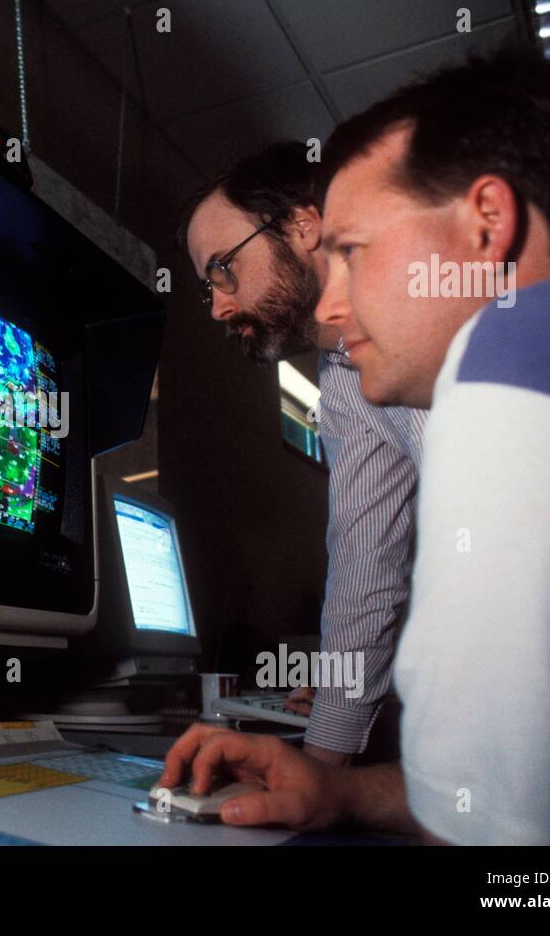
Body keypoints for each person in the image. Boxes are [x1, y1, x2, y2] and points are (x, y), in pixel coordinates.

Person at [162, 48, 550, 844]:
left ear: (487, 225)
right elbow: (504, 797)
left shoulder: (518, 360)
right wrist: (339, 786)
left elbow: (537, 871)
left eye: (353, 251)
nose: (336, 297)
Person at [180, 143, 426, 765]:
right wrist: (322, 760)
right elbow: (365, 556)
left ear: (302, 224)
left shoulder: (432, 301)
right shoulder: (342, 376)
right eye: (207, 287)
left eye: (224, 270)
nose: (218, 306)